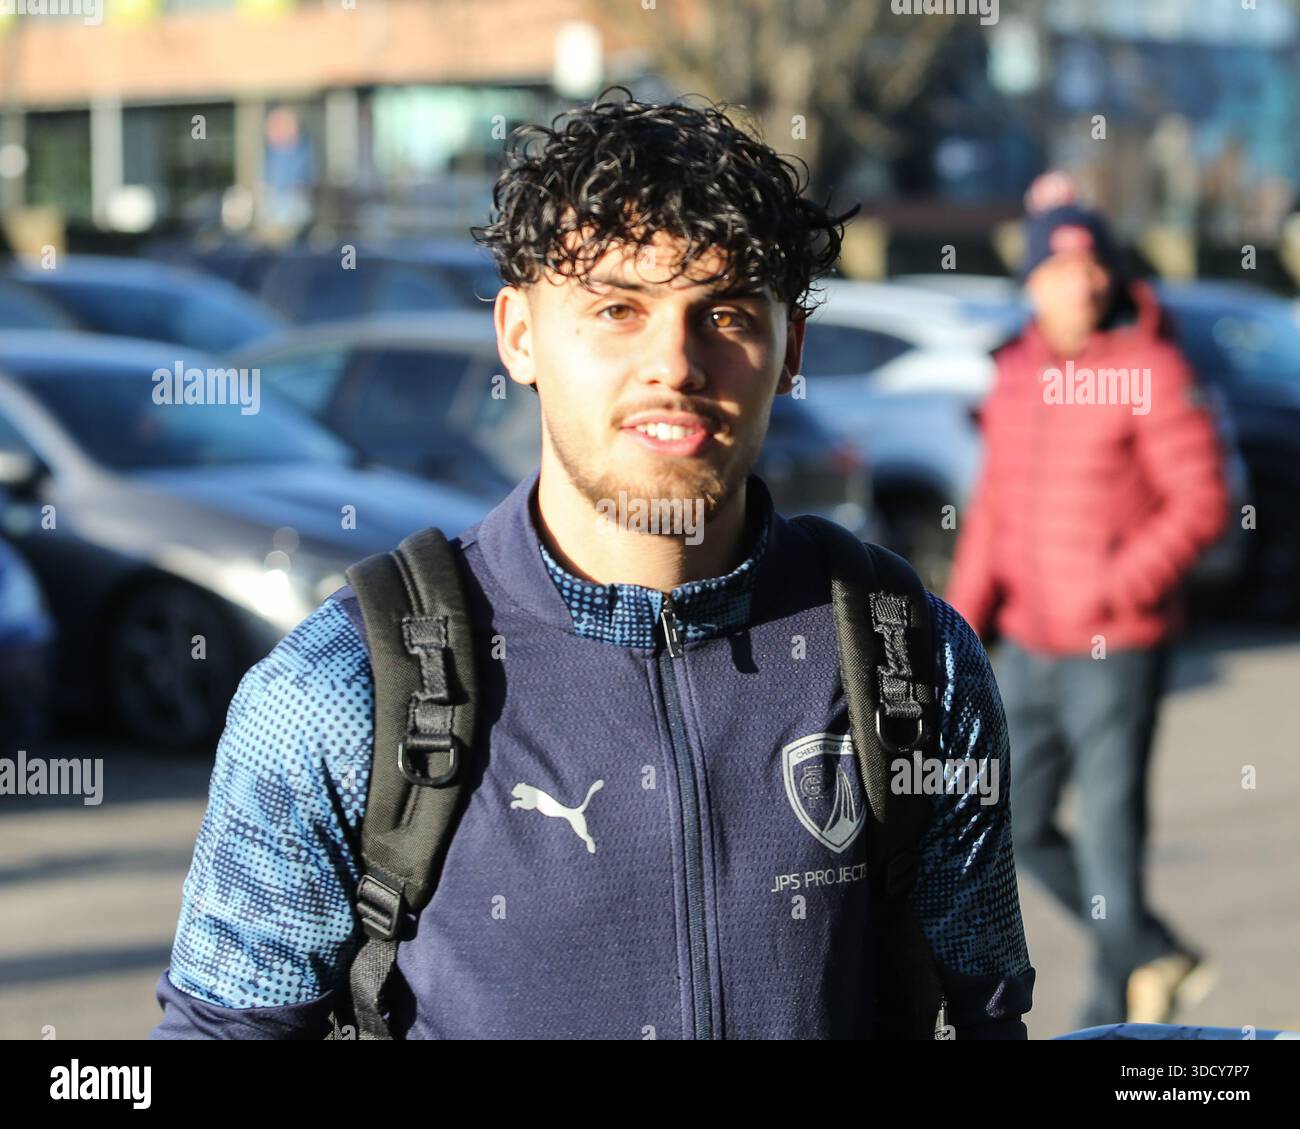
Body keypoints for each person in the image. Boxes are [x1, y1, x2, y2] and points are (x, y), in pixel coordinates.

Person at [150, 89, 1034, 1040]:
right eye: (618, 307)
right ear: (519, 333)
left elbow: (983, 1020)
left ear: (789, 349)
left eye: (726, 312)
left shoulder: (912, 663)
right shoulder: (346, 688)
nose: (676, 363)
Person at [946, 196, 1228, 1029]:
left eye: (1095, 264)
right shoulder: (1015, 371)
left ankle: (1115, 1017)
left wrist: (1117, 585)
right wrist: (955, 628)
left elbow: (1202, 501)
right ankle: (1156, 954)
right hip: (1030, 643)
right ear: (1032, 278)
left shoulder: (1152, 367)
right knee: (1016, 822)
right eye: (1062, 266)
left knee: (1109, 841)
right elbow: (993, 508)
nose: (1083, 282)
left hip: (1118, 647)